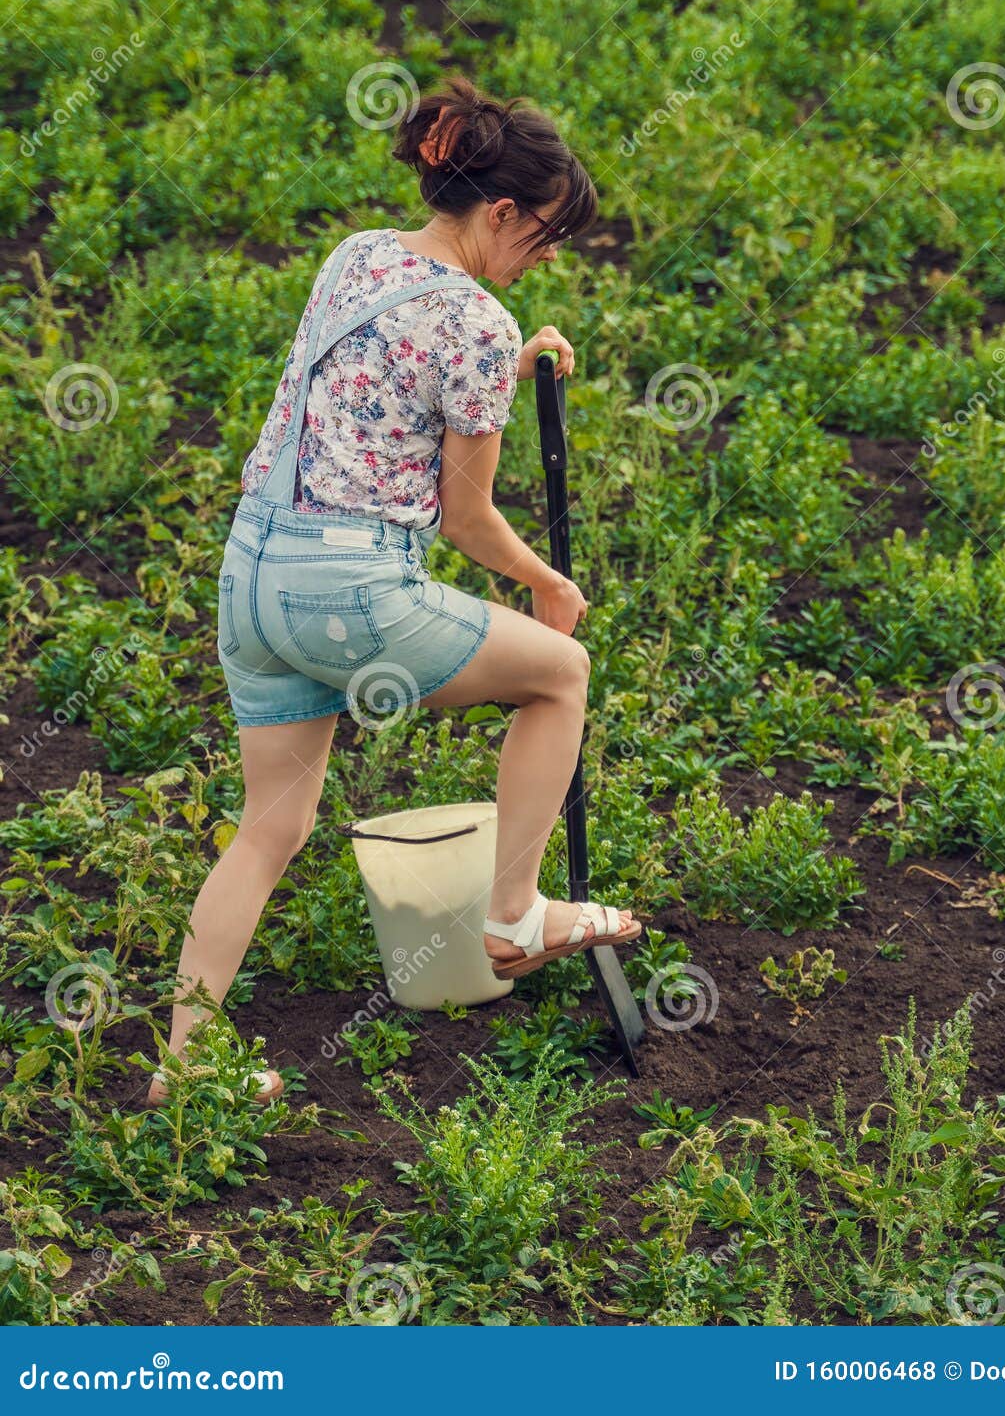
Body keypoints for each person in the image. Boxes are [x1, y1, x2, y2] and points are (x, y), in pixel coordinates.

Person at [146, 75, 641, 1109]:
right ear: (500, 211)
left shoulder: (357, 255)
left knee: (266, 829)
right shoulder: (478, 327)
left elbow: (395, 370)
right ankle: (511, 915)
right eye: (542, 239)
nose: (544, 259)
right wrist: (546, 581)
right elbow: (467, 519)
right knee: (560, 674)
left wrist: (517, 355)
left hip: (252, 578)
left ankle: (183, 1071)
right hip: (347, 591)